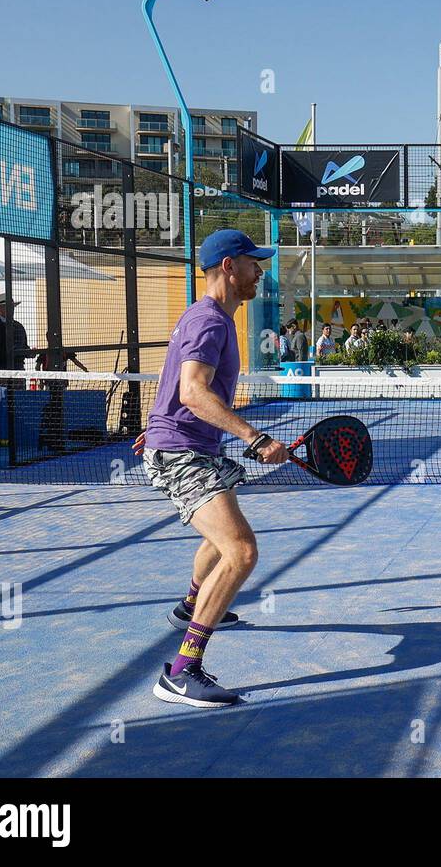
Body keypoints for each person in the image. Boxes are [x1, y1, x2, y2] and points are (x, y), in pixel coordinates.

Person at [136, 228, 287, 707]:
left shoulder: (207, 317)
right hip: (183, 451)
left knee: (218, 539)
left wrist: (157, 424)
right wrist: (255, 436)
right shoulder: (211, 322)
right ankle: (182, 670)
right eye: (252, 262)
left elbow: (173, 382)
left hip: (188, 444)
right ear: (229, 267)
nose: (259, 270)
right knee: (241, 551)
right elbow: (192, 391)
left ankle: (190, 607)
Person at [0, 293, 29, 371]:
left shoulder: (19, 326)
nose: (11, 309)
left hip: (18, 369)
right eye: (7, 306)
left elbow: (24, 346)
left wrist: (29, 352)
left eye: (12, 306)